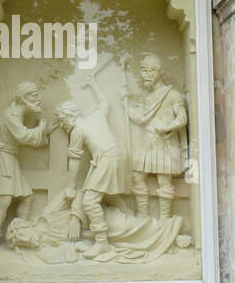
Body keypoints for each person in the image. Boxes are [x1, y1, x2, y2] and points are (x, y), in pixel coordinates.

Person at [55, 75, 126, 263]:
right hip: (114, 157)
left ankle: (102, 242)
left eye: (63, 120)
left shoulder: (77, 130)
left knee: (90, 201)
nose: (63, 125)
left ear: (70, 116)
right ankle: (128, 217)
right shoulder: (95, 116)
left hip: (106, 160)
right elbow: (105, 102)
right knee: (107, 196)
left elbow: (75, 160)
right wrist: (93, 83)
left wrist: (70, 187)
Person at [0, 81, 50, 254]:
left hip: (10, 158)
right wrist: (40, 129)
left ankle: (18, 235)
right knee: (4, 199)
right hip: (2, 158)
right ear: (23, 98)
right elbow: (23, 136)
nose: (38, 98)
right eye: (34, 95)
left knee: (27, 198)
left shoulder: (19, 114)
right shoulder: (11, 115)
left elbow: (32, 139)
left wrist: (40, 129)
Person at [128, 53, 187, 219]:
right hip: (148, 143)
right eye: (142, 71)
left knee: (164, 182)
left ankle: (164, 221)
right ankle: (142, 216)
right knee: (137, 177)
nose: (144, 75)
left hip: (165, 143)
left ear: (158, 71)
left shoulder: (172, 94)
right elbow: (140, 118)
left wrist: (166, 128)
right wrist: (124, 104)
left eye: (148, 71)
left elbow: (182, 118)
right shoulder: (146, 96)